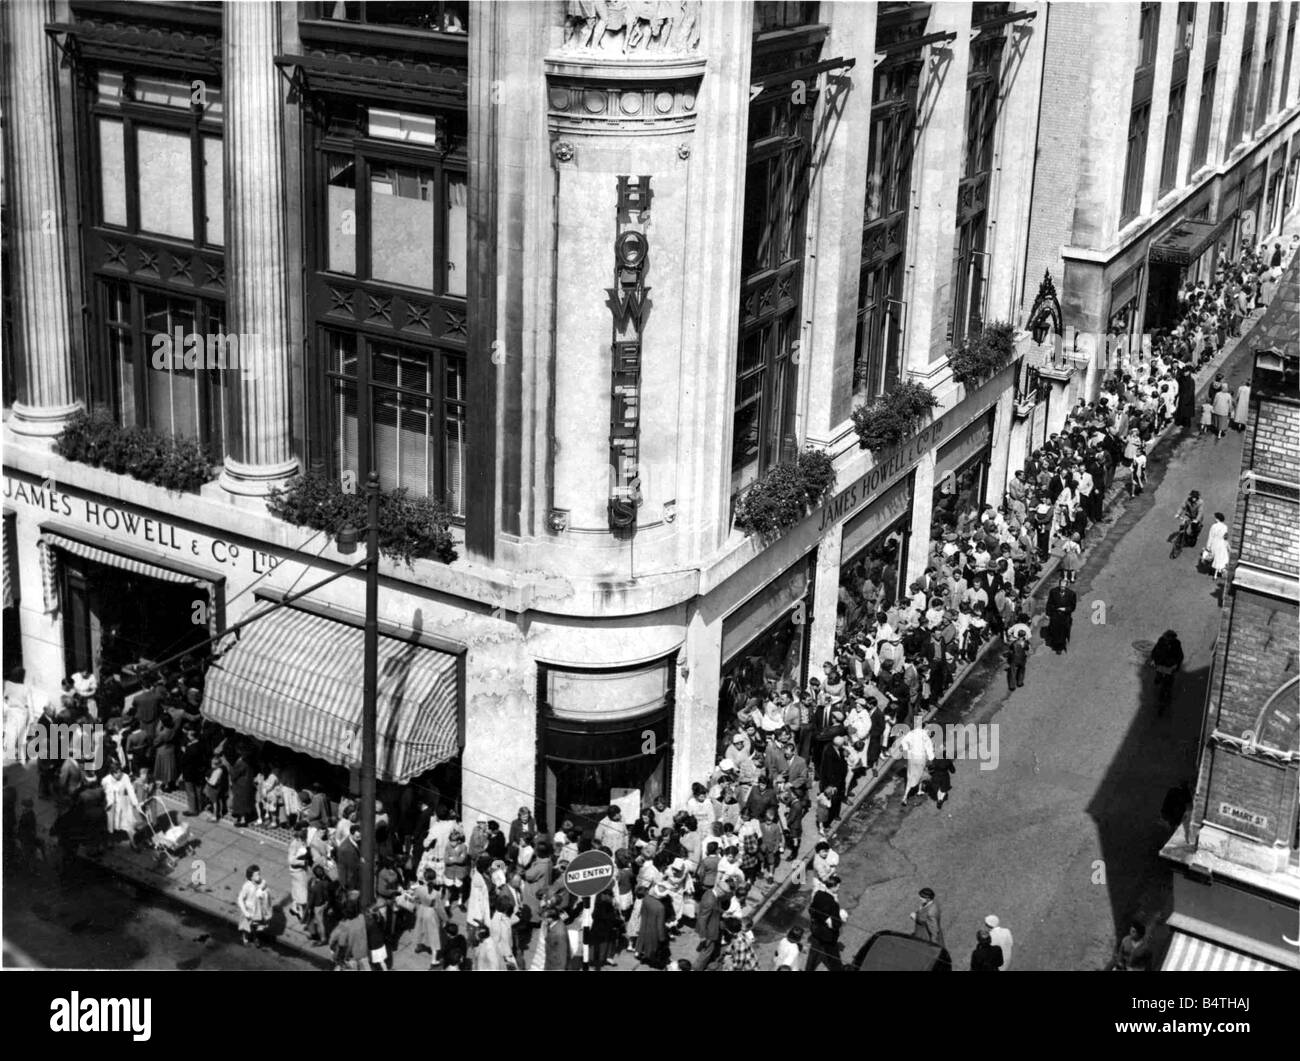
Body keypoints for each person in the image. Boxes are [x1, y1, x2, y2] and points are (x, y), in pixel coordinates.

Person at [805, 874, 845, 972]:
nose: (839, 888)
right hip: (827, 935)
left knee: (813, 953)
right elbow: (835, 924)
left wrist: (821, 918)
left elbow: (811, 909)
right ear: (834, 887)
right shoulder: (833, 904)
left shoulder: (818, 894)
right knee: (833, 956)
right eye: (838, 886)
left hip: (816, 930)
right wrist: (841, 918)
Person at [101, 761, 142, 849]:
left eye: (120, 772)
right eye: (117, 773)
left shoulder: (125, 777)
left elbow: (130, 790)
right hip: (112, 805)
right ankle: (111, 842)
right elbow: (103, 793)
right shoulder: (105, 780)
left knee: (128, 823)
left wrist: (135, 803)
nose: (120, 775)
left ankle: (133, 843)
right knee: (111, 824)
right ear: (112, 773)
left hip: (123, 803)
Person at [897, 723, 935, 806]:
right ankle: (907, 796)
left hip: (911, 758)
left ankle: (916, 791)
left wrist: (907, 749)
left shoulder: (913, 732)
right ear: (926, 729)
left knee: (912, 776)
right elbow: (929, 750)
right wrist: (932, 759)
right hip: (921, 758)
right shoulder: (926, 737)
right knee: (918, 775)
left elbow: (903, 741)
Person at [237, 865, 270, 948]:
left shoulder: (262, 882)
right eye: (256, 875)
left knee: (256, 926)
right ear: (251, 877)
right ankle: (245, 938)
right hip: (249, 910)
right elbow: (240, 899)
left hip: (258, 910)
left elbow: (264, 885)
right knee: (247, 926)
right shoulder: (247, 886)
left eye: (259, 874)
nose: (259, 876)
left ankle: (255, 937)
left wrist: (261, 889)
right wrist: (245, 912)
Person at [1044, 573, 1077, 654]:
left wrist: (1065, 609)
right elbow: (1049, 603)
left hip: (1065, 617)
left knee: (1063, 632)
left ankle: (1061, 646)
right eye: (1061, 586)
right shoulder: (1053, 591)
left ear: (1067, 585)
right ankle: (1055, 644)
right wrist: (1048, 614)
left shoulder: (1071, 594)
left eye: (1063, 586)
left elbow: (1072, 607)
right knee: (1055, 630)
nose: (1062, 588)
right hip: (1055, 615)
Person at [1204, 512, 1230, 579]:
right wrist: (1226, 545)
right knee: (1221, 558)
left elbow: (1211, 537)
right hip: (1222, 543)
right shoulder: (1225, 527)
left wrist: (1208, 546)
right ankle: (1221, 571)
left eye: (1215, 518)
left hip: (1215, 543)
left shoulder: (1214, 526)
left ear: (1217, 519)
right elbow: (1226, 537)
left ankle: (1215, 573)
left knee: (1215, 558)